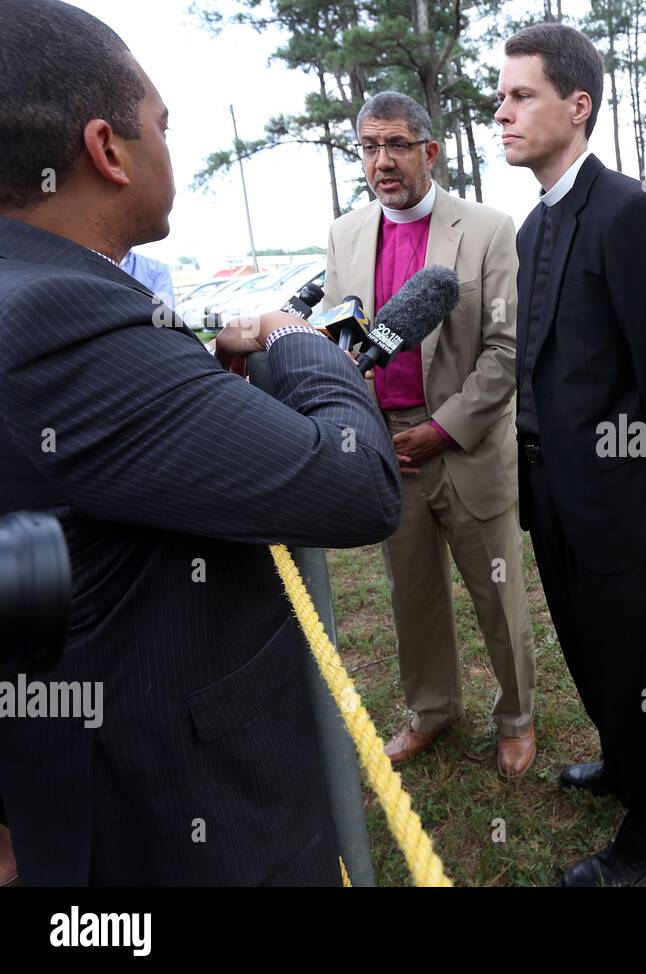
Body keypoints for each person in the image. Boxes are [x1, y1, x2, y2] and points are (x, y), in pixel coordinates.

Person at [0, 0, 401, 884]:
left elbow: (99, 480)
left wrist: (208, 398)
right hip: (181, 815)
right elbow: (357, 483)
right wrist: (300, 341)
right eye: (162, 127)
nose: (169, 151)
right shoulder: (60, 318)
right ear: (108, 150)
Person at [495, 22, 646, 886]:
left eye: (521, 96)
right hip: (546, 485)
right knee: (589, 652)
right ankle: (623, 770)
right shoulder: (532, 225)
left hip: (615, 490)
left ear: (577, 106)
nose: (501, 113)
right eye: (500, 97)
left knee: (637, 665)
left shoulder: (628, 212)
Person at [324, 92, 537, 776]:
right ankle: (433, 710)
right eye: (368, 147)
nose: (381, 161)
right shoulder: (345, 234)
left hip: (465, 450)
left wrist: (442, 431)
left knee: (496, 593)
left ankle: (517, 716)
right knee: (410, 595)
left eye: (395, 145)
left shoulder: (489, 228)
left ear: (430, 151)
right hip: (389, 452)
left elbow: (506, 351)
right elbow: (342, 344)